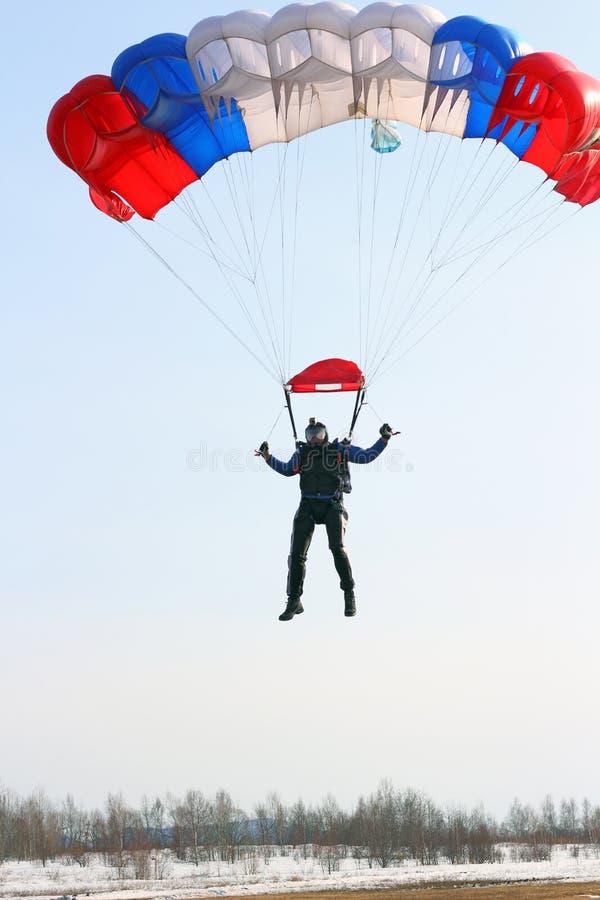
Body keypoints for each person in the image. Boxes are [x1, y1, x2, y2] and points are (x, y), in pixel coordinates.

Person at [255, 418, 397, 620]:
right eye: (310, 435)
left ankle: (349, 593)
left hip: (332, 505)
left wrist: (383, 439)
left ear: (326, 434)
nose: (314, 439)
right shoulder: (302, 454)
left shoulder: (340, 450)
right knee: (296, 554)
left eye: (319, 434)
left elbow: (367, 456)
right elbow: (287, 470)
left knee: (337, 547)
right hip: (308, 506)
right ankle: (294, 600)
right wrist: (267, 457)